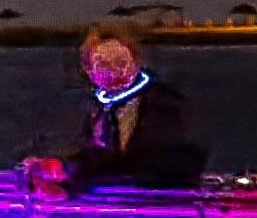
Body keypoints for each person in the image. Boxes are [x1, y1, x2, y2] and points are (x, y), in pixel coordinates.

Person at [26, 23, 207, 192]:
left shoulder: (164, 104)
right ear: (89, 71)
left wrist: (69, 168)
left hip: (158, 199)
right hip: (117, 198)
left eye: (121, 63)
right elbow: (92, 154)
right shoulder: (97, 109)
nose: (115, 72)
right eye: (103, 65)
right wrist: (56, 173)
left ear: (136, 62)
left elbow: (137, 162)